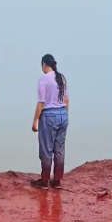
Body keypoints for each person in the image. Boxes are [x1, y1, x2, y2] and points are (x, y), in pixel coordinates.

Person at [31, 53, 70, 188]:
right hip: (63, 114)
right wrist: (65, 115)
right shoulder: (61, 78)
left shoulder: (44, 79)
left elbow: (41, 103)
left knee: (46, 150)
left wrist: (35, 121)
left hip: (49, 116)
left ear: (44, 64)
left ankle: (44, 181)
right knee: (59, 149)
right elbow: (66, 100)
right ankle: (57, 180)